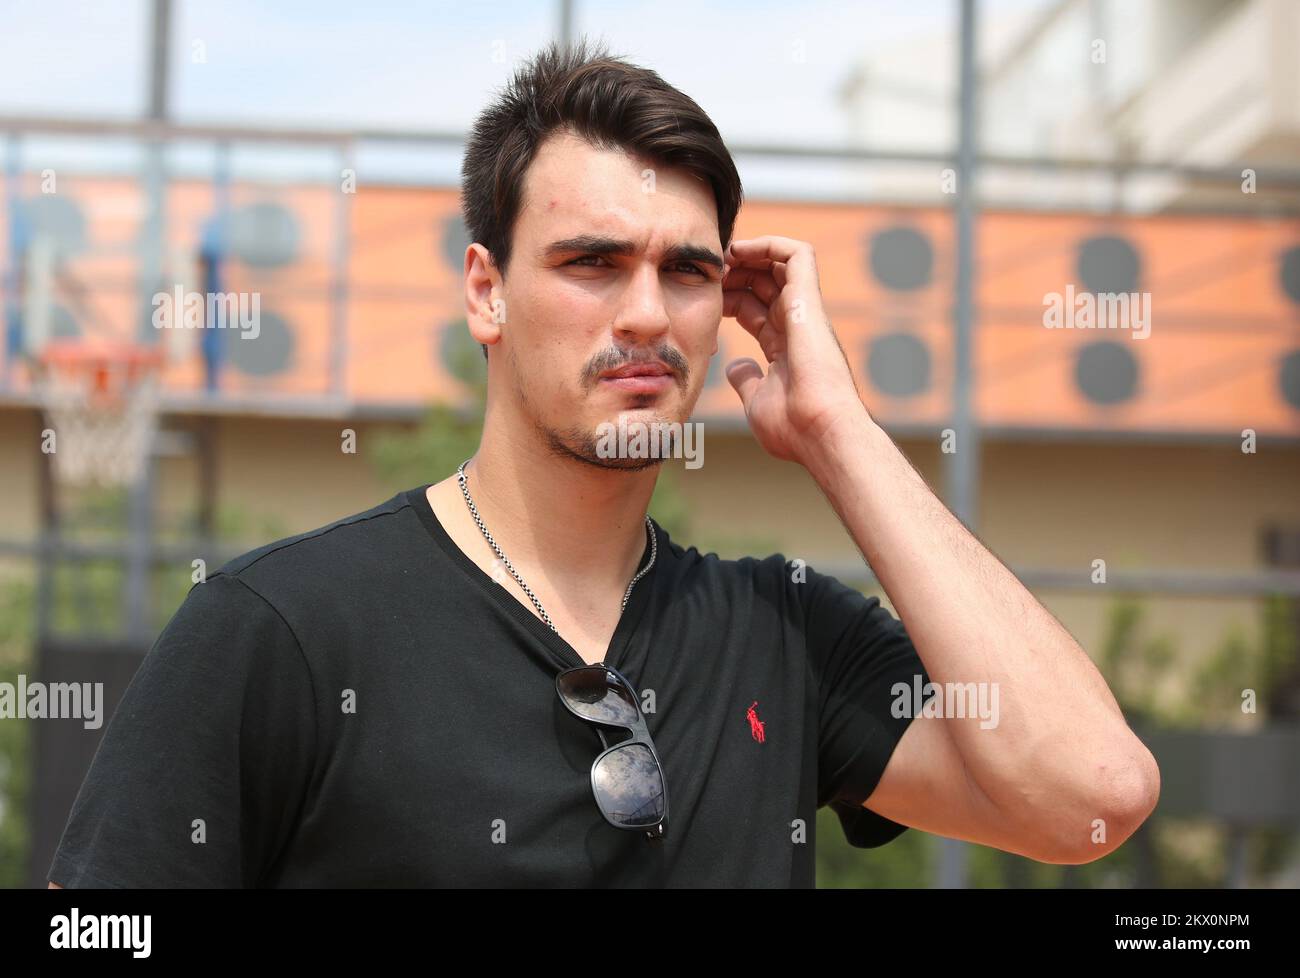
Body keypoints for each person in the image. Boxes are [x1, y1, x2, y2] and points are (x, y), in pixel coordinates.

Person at [48, 38, 1158, 889]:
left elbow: (1093, 800)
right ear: (485, 290)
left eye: (686, 271)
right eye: (591, 262)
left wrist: (837, 432)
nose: (645, 312)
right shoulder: (278, 629)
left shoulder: (782, 637)